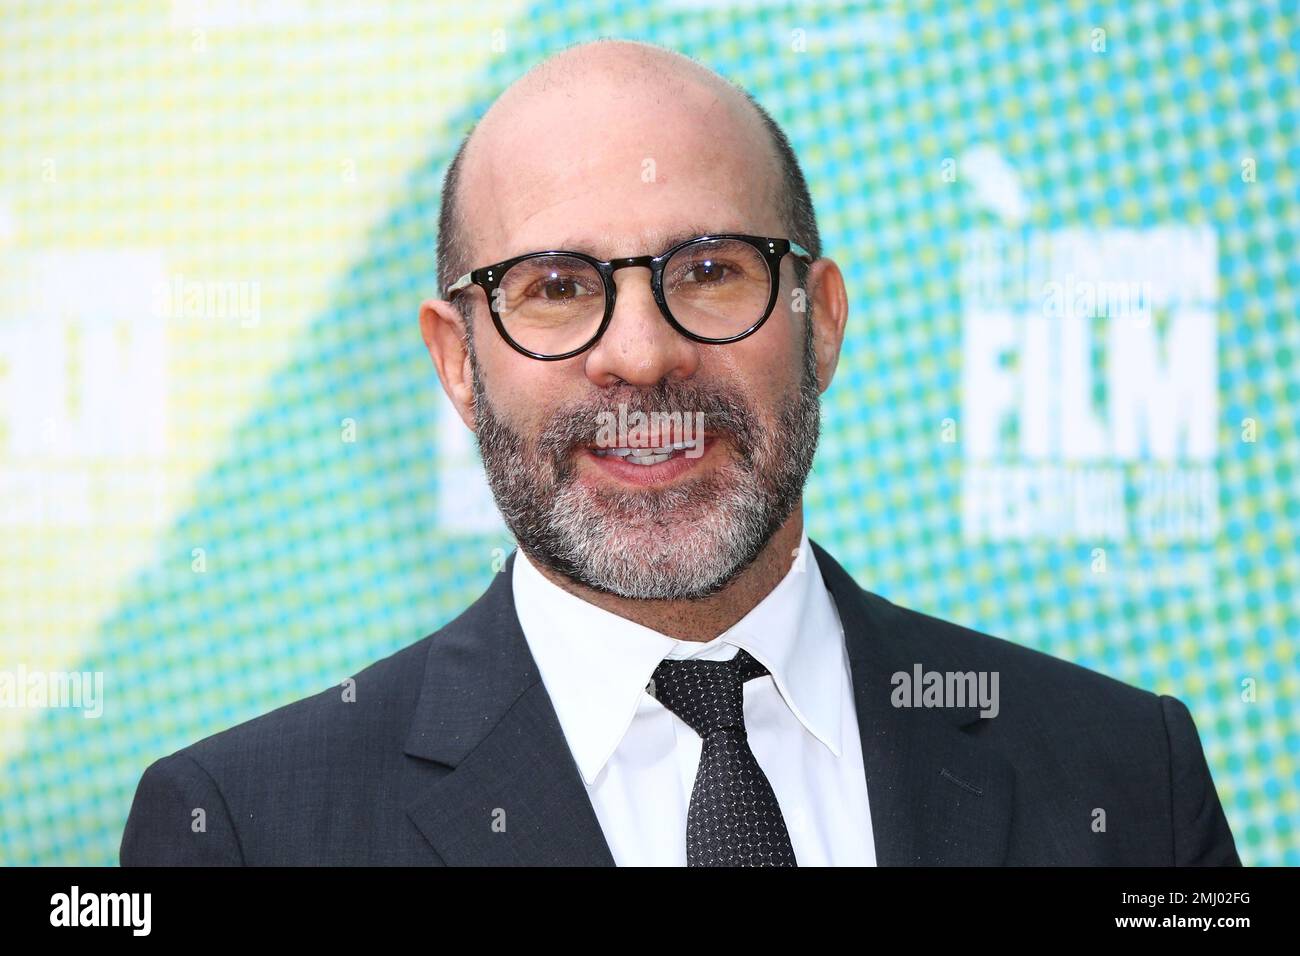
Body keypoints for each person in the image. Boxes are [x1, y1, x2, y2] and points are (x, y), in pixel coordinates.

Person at [121, 38, 1240, 867]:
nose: (643, 355)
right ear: (458, 362)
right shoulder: (246, 827)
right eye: (556, 288)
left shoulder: (1125, 775)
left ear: (823, 319)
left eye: (709, 269)